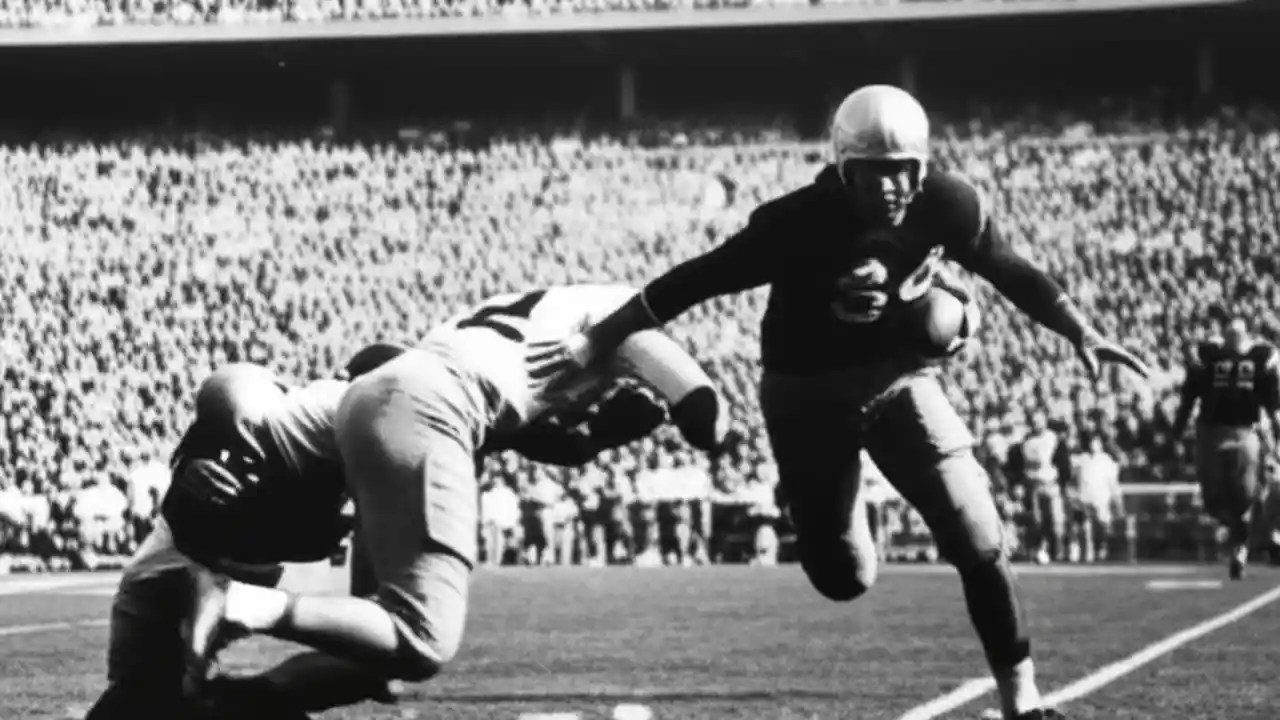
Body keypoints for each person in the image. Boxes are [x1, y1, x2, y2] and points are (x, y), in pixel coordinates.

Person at [525, 85, 1150, 720]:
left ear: (922, 166)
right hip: (805, 396)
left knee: (979, 536)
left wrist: (1081, 329)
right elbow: (695, 278)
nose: (887, 186)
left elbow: (1009, 266)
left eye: (900, 170)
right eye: (873, 172)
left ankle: (1024, 702)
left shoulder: (949, 202)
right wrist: (596, 339)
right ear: (842, 167)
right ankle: (825, 501)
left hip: (898, 382)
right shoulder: (793, 221)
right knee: (844, 577)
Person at [181, 284, 727, 718]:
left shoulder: (526, 318)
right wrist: (675, 413)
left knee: (379, 659)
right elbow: (706, 415)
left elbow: (531, 432)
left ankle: (233, 703)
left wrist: (598, 437)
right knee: (423, 636)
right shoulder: (619, 322)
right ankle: (237, 603)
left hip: (393, 404)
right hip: (421, 415)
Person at [1170, 316, 1280, 579]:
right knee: (1225, 502)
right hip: (1226, 433)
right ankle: (1244, 536)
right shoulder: (1256, 356)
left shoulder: (1226, 356)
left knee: (1240, 497)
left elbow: (1189, 396)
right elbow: (1273, 407)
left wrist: (1176, 431)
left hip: (1232, 433)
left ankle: (1251, 539)